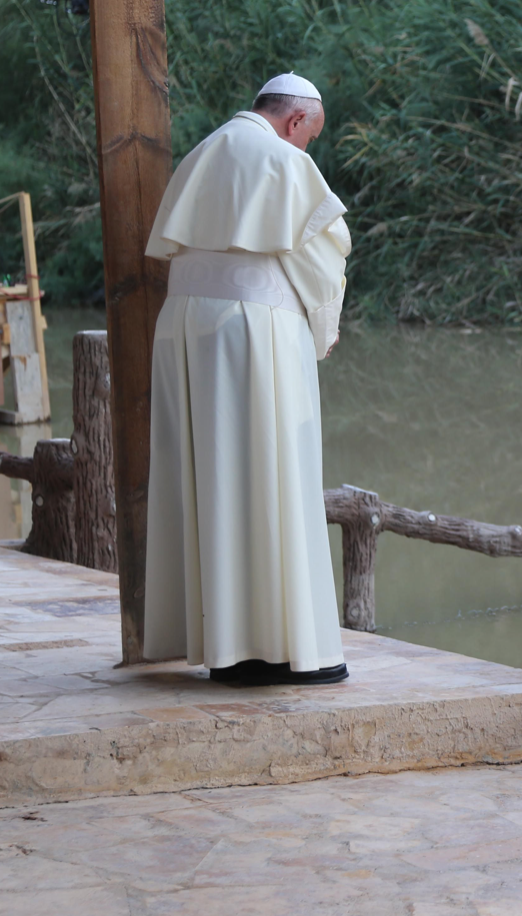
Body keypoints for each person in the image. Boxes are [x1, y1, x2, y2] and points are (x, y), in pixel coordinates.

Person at [141, 73, 351, 685]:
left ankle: (227, 647)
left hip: (184, 326)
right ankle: (283, 648)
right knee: (272, 472)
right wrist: (326, 325)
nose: (306, 147)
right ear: (295, 121)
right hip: (253, 328)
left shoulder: (202, 153)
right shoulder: (282, 160)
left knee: (210, 477)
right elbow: (324, 254)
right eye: (309, 136)